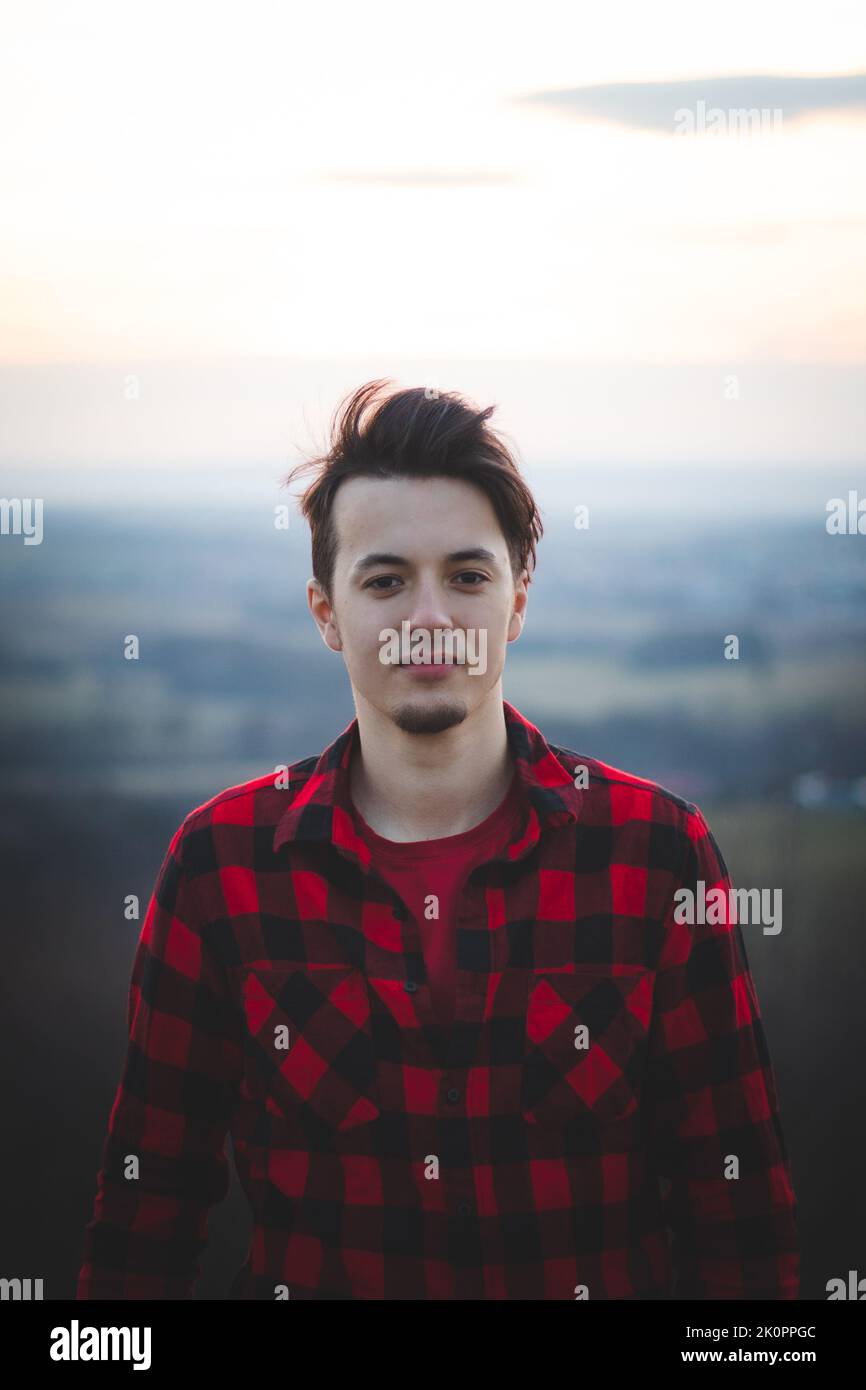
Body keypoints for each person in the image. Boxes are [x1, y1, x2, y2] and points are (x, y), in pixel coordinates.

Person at [77, 379, 799, 1299]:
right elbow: (145, 1220)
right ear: (326, 613)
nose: (430, 620)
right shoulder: (222, 866)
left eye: (467, 576)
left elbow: (742, 1222)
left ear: (518, 601)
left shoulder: (657, 854)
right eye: (385, 581)